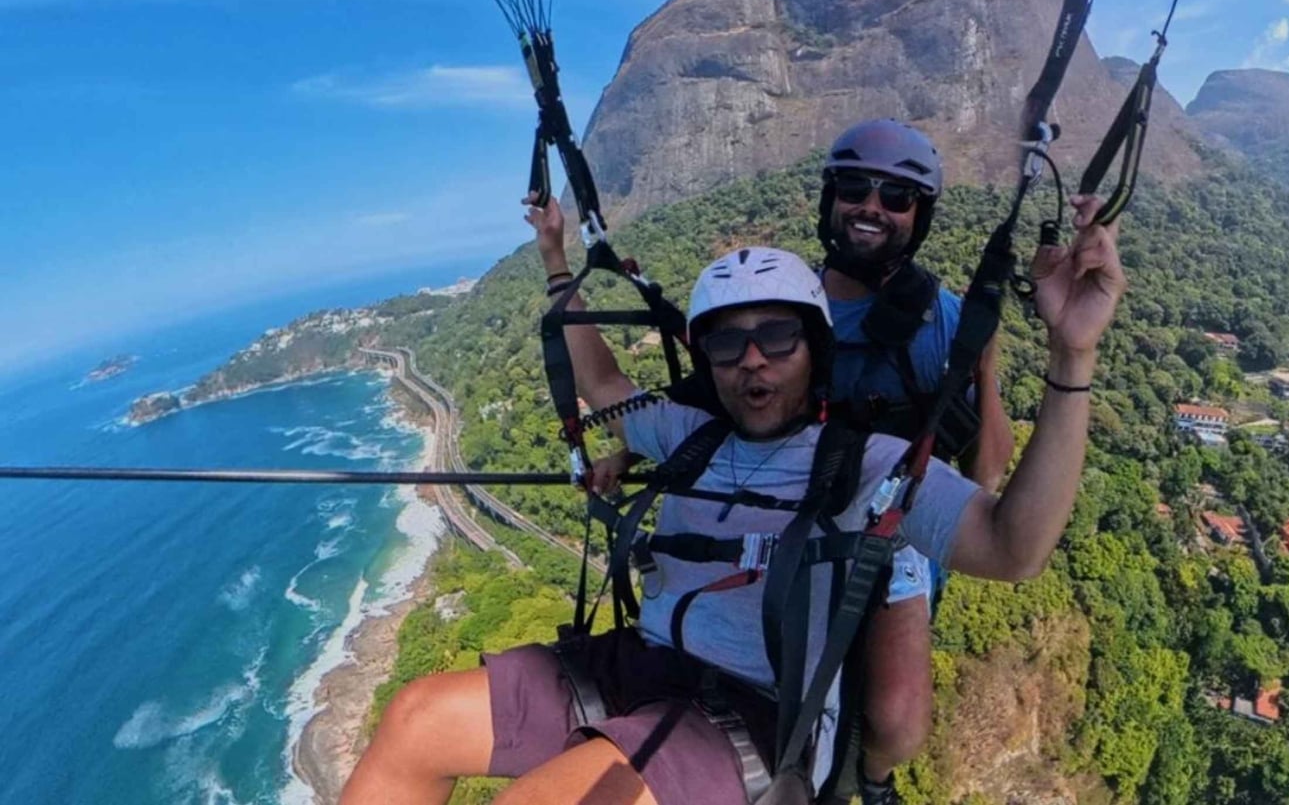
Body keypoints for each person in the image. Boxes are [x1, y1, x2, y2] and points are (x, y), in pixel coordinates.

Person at [340, 192, 1123, 805]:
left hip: (746, 711)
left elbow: (1014, 546)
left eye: (777, 337)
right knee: (414, 719)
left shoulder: (861, 465)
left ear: (814, 353)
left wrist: (1072, 353)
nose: (753, 360)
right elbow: (604, 383)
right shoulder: (691, 433)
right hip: (639, 663)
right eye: (727, 342)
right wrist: (557, 260)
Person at [815, 119, 1014, 802]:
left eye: (897, 196)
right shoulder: (788, 310)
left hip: (893, 548)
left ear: (918, 214)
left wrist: (985, 364)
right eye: (855, 187)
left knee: (894, 724)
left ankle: (871, 784)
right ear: (831, 198)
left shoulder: (941, 320)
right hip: (800, 535)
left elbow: (986, 472)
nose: (872, 205)